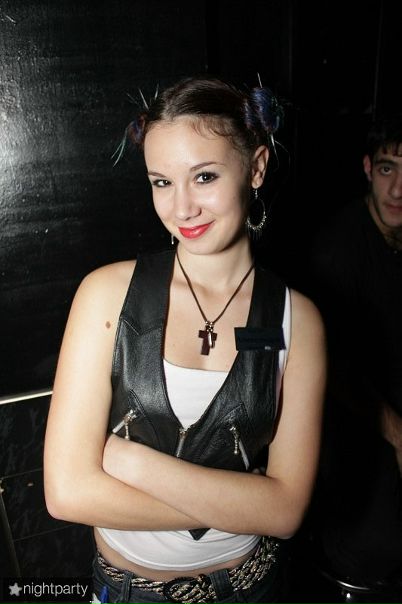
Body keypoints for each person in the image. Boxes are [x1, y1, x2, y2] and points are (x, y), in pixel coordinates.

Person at [44, 75, 325, 604]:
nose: (181, 209)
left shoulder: (298, 319)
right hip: (132, 592)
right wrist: (246, 505)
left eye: (204, 176)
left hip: (252, 588)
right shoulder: (106, 294)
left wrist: (132, 464)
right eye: (161, 182)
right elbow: (67, 493)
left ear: (257, 167)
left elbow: (287, 513)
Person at [306, 114, 402, 588]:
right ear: (368, 168)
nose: (398, 189)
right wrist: (397, 433)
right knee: (375, 548)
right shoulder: (338, 247)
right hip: (354, 423)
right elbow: (331, 369)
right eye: (387, 169)